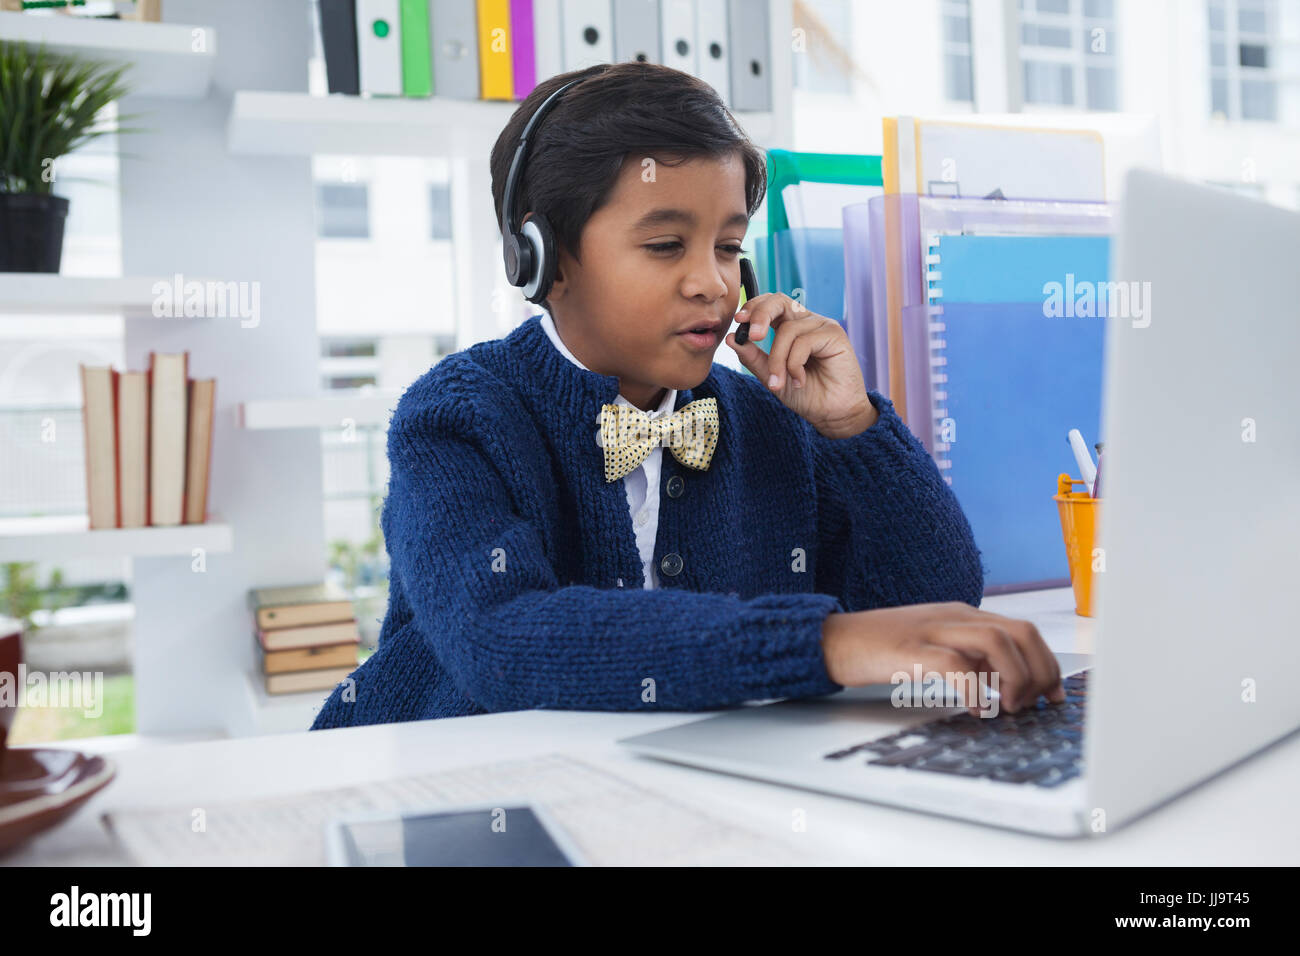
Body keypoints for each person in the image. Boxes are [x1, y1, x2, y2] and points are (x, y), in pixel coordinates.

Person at [311, 62, 1063, 731]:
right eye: (666, 245)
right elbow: (501, 637)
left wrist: (852, 428)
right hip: (457, 789)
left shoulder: (768, 418)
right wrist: (819, 642)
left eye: (730, 246)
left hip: (675, 782)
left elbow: (937, 601)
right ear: (542, 261)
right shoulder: (460, 417)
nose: (712, 279)